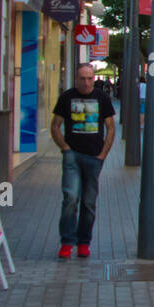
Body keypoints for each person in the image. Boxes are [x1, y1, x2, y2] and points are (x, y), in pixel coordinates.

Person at [50, 62, 116, 259]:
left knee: (88, 203)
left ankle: (83, 242)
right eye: (83, 79)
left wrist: (103, 154)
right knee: (70, 198)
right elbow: (55, 126)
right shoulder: (67, 97)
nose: (87, 83)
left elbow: (111, 127)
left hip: (94, 158)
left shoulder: (102, 98)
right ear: (76, 79)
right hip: (72, 156)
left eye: (90, 79)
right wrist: (65, 148)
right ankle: (67, 242)